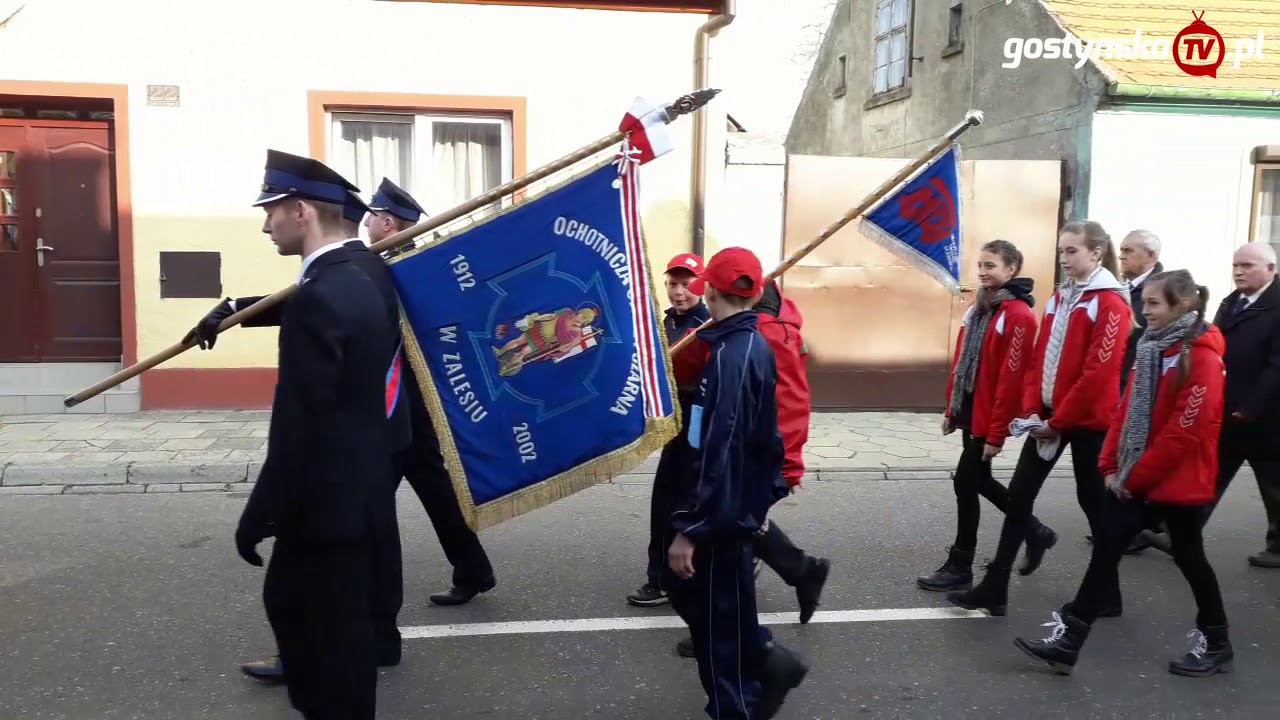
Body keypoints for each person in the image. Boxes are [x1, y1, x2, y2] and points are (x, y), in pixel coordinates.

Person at [233, 149, 409, 719]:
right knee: (304, 611)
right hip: (365, 483)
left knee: (324, 640)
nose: (266, 225)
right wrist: (236, 310)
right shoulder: (367, 271)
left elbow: (297, 423)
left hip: (326, 499)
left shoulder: (322, 295)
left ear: (302, 212)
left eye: (272, 212)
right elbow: (327, 309)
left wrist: (261, 510)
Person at [1014, 270, 1233, 678]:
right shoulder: (1151, 348)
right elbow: (1125, 409)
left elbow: (1184, 432)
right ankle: (1072, 637)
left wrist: (1132, 479)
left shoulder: (1202, 357)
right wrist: (1109, 464)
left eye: (1154, 304)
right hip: (1141, 476)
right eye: (1144, 302)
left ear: (1181, 305)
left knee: (1188, 557)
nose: (1144, 311)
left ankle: (1216, 641)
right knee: (1113, 540)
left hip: (1178, 481)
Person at [948, 221, 1131, 616]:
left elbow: (1097, 374)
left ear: (1096, 252)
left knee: (1094, 503)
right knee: (1019, 497)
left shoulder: (1110, 301)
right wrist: (1033, 408)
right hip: (1048, 417)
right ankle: (995, 586)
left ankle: (1107, 591)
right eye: (1061, 251)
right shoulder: (1061, 297)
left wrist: (1059, 420)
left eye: (1072, 252)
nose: (1064, 259)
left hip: (1088, 421)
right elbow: (1037, 360)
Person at [666, 246, 808, 720]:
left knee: (716, 629)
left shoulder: (732, 356)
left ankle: (738, 707)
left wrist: (693, 528)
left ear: (709, 290)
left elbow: (719, 450)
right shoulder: (739, 344)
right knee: (711, 606)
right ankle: (770, 662)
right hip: (735, 507)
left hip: (722, 512)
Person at [917, 240, 1049, 592]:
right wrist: (952, 408)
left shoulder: (1018, 315)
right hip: (971, 409)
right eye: (980, 265)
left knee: (966, 482)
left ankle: (962, 564)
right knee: (976, 480)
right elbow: (962, 362)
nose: (983, 271)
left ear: (1011, 270)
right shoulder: (979, 307)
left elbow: (1012, 378)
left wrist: (996, 434)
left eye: (991, 265)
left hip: (989, 414)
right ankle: (1036, 531)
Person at [1168, 241, 1280, 568]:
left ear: (1271, 270)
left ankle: (1278, 547)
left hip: (1266, 416)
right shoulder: (1233, 302)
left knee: (1274, 486)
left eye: (1247, 266)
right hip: (1227, 407)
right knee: (1210, 474)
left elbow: (1277, 365)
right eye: (1236, 266)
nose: (1239, 272)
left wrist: (1252, 406)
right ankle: (1182, 534)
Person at [627, 252, 712, 608]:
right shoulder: (662, 327)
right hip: (673, 429)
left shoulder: (709, 327)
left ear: (703, 286)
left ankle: (723, 566)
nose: (679, 292)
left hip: (701, 428)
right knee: (664, 502)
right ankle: (659, 577)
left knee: (696, 503)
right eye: (673, 284)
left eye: (687, 284)